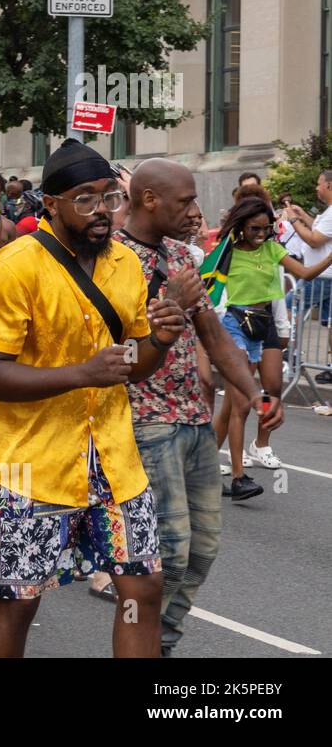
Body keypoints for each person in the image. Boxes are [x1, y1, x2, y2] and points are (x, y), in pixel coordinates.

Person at [0, 138, 186, 658]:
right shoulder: (12, 267)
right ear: (52, 204)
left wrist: (159, 339)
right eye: (85, 199)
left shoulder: (126, 266)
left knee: (143, 587)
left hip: (114, 461)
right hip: (30, 464)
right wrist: (81, 373)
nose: (101, 211)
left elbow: (132, 368)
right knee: (19, 601)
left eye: (110, 197)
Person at [118, 159, 283, 655]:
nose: (195, 210)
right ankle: (144, 642)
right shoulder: (111, 259)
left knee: (203, 550)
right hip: (144, 422)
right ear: (149, 199)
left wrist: (256, 395)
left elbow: (213, 335)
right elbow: (105, 347)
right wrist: (166, 298)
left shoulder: (183, 256)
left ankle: (159, 641)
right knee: (167, 553)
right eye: (185, 200)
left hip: (192, 419)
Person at [212, 195, 332, 498]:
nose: (260, 234)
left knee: (268, 390)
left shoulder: (272, 249)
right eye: (254, 229)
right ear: (241, 227)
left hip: (262, 325)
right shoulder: (226, 252)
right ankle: (239, 476)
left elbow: (304, 274)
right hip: (234, 325)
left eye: (266, 228)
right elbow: (209, 291)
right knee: (239, 403)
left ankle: (208, 460)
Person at [283, 171, 332, 374]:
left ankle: (290, 352)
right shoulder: (328, 212)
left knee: (289, 304)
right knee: (329, 322)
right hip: (324, 275)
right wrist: (303, 216)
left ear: (329, 185)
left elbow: (314, 239)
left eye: (319, 184)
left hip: (321, 275)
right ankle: (329, 366)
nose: (316, 188)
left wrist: (294, 219)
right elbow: (320, 231)